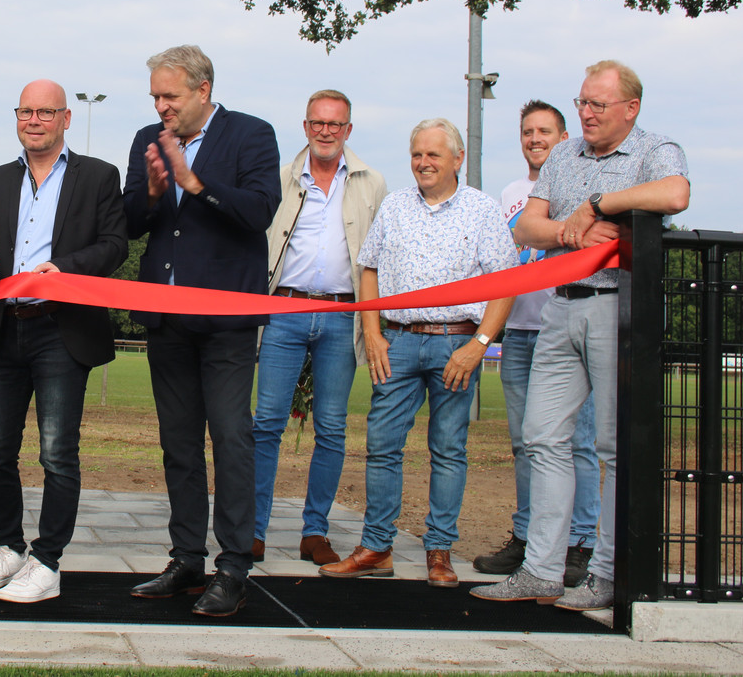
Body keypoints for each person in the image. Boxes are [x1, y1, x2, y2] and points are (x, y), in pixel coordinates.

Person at [473, 61, 688, 611]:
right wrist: (576, 232)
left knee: (614, 447)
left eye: (598, 104)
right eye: (582, 103)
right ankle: (541, 570)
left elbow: (675, 194)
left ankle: (608, 574)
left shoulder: (656, 149)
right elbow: (528, 227)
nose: (587, 114)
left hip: (620, 309)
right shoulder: (565, 156)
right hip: (561, 308)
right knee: (542, 437)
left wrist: (598, 205)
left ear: (630, 109)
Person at [320, 118, 516, 588]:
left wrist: (480, 344)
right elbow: (369, 269)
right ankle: (376, 547)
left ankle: (439, 552)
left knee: (448, 448)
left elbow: (505, 283)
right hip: (400, 341)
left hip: (457, 344)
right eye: (416, 155)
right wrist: (372, 333)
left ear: (457, 159)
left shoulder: (482, 210)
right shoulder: (395, 206)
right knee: (382, 445)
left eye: (433, 155)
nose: (423, 163)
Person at [122, 44, 281, 617]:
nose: (160, 107)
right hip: (165, 318)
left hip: (226, 320)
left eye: (170, 96)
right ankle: (187, 557)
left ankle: (233, 566)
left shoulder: (251, 134)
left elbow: (259, 211)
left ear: (203, 89)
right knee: (179, 443)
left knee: (232, 438)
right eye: (155, 97)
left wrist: (194, 183)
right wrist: (153, 193)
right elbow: (130, 222)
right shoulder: (148, 138)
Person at [0, 80, 128, 603]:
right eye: (26, 111)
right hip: (4, 326)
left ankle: (47, 561)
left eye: (45, 112)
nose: (34, 120)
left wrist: (65, 269)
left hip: (62, 329)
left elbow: (115, 246)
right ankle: (8, 547)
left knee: (56, 453)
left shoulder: (98, 176)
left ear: (66, 119)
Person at [254, 90, 386, 566]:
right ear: (305, 127)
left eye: (335, 124)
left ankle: (315, 533)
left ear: (348, 130)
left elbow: (378, 258)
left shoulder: (373, 183)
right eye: (317, 123)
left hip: (342, 315)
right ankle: (252, 530)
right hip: (284, 311)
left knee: (331, 428)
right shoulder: (280, 178)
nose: (326, 131)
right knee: (266, 423)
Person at [473, 101, 598, 586]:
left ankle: (579, 543)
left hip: (563, 327)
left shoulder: (577, 185)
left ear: (565, 138)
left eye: (545, 131)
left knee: (576, 442)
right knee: (526, 443)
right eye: (528, 131)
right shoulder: (511, 193)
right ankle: (528, 538)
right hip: (521, 331)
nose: (535, 139)